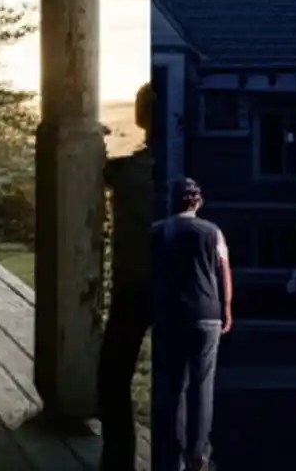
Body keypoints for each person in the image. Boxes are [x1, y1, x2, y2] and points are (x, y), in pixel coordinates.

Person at [151, 177, 232, 471]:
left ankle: (174, 457)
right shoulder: (212, 232)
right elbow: (224, 270)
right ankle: (199, 455)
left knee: (175, 387)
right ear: (198, 201)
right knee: (202, 385)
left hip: (171, 315)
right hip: (207, 314)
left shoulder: (159, 231)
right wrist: (226, 308)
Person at [98, 83, 155, 471]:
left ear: (141, 117)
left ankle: (118, 462)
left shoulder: (126, 173)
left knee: (113, 378)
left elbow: (96, 168)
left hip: (133, 288)